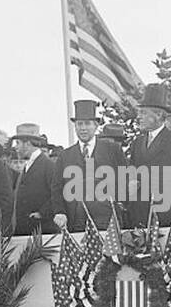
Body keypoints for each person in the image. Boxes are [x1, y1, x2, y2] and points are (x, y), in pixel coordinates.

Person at [125, 83, 171, 227]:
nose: (139, 117)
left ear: (159, 114)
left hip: (166, 213)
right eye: (139, 113)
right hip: (139, 213)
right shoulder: (137, 143)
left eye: (144, 113)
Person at [52, 99, 124, 231]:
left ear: (96, 126)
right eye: (79, 124)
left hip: (106, 220)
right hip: (76, 220)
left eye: (87, 124)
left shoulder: (112, 150)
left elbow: (124, 181)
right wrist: (60, 211)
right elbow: (57, 188)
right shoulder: (65, 155)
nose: (83, 128)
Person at [9, 122, 56, 236]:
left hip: (42, 232)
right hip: (25, 231)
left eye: (18, 143)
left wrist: (42, 213)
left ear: (27, 144)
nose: (15, 147)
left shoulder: (48, 166)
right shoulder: (28, 165)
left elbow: (58, 194)